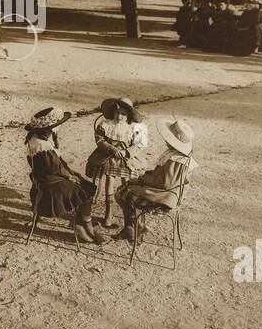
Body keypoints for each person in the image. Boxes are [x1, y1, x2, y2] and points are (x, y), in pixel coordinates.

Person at [25, 108, 106, 245]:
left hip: (44, 178)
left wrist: (71, 174)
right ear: (51, 127)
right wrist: (70, 176)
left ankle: (84, 222)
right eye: (58, 125)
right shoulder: (43, 145)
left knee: (83, 183)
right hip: (50, 185)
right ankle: (82, 224)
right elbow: (55, 167)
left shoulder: (34, 138)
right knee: (86, 191)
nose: (60, 127)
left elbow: (53, 166)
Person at [115, 115, 195, 243]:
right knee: (128, 186)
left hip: (164, 197)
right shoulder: (176, 155)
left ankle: (135, 226)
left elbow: (164, 183)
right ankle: (132, 227)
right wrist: (143, 178)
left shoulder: (175, 160)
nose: (166, 140)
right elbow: (161, 175)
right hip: (167, 193)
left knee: (122, 193)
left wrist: (143, 181)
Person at [85, 96, 145, 228]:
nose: (119, 116)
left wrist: (126, 152)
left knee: (126, 182)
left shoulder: (134, 128)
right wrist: (111, 148)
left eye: (123, 114)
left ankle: (128, 214)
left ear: (128, 115)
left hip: (125, 157)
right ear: (113, 112)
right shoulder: (105, 124)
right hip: (108, 156)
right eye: (117, 113)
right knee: (110, 179)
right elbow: (100, 140)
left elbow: (139, 144)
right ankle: (108, 212)